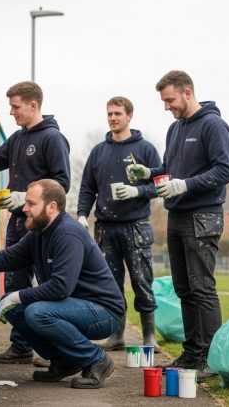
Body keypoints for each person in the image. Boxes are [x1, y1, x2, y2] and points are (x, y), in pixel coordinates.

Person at [0, 179, 125, 389]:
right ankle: (64, 360)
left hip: (104, 312)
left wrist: (17, 296)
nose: (24, 208)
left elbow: (60, 287)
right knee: (15, 309)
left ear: (52, 207)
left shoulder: (68, 233)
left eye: (31, 203)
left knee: (37, 312)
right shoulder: (39, 234)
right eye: (26, 203)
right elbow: (8, 258)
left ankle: (97, 360)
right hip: (74, 306)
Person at [126, 70, 229, 381]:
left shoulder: (213, 125)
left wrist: (184, 185)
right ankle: (192, 354)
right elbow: (169, 169)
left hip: (203, 216)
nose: (167, 106)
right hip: (177, 215)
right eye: (164, 101)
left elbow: (225, 170)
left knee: (202, 288)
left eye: (170, 100)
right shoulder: (175, 128)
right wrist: (149, 173)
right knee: (184, 289)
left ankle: (212, 359)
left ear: (187, 92)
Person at [0, 81, 70, 365]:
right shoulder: (17, 138)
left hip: (45, 226)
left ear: (33, 105)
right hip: (18, 224)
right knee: (14, 284)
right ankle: (21, 346)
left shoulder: (53, 139)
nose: (11, 112)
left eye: (15, 106)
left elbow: (63, 183)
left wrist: (25, 197)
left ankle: (58, 351)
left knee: (48, 286)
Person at [77, 96, 162, 352]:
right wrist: (82, 215)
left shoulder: (145, 149)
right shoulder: (98, 151)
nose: (113, 118)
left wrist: (138, 191)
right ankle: (116, 336)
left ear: (129, 116)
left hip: (136, 227)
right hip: (105, 228)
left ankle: (149, 336)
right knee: (111, 285)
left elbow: (160, 184)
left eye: (118, 113)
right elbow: (87, 188)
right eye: (110, 114)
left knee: (142, 282)